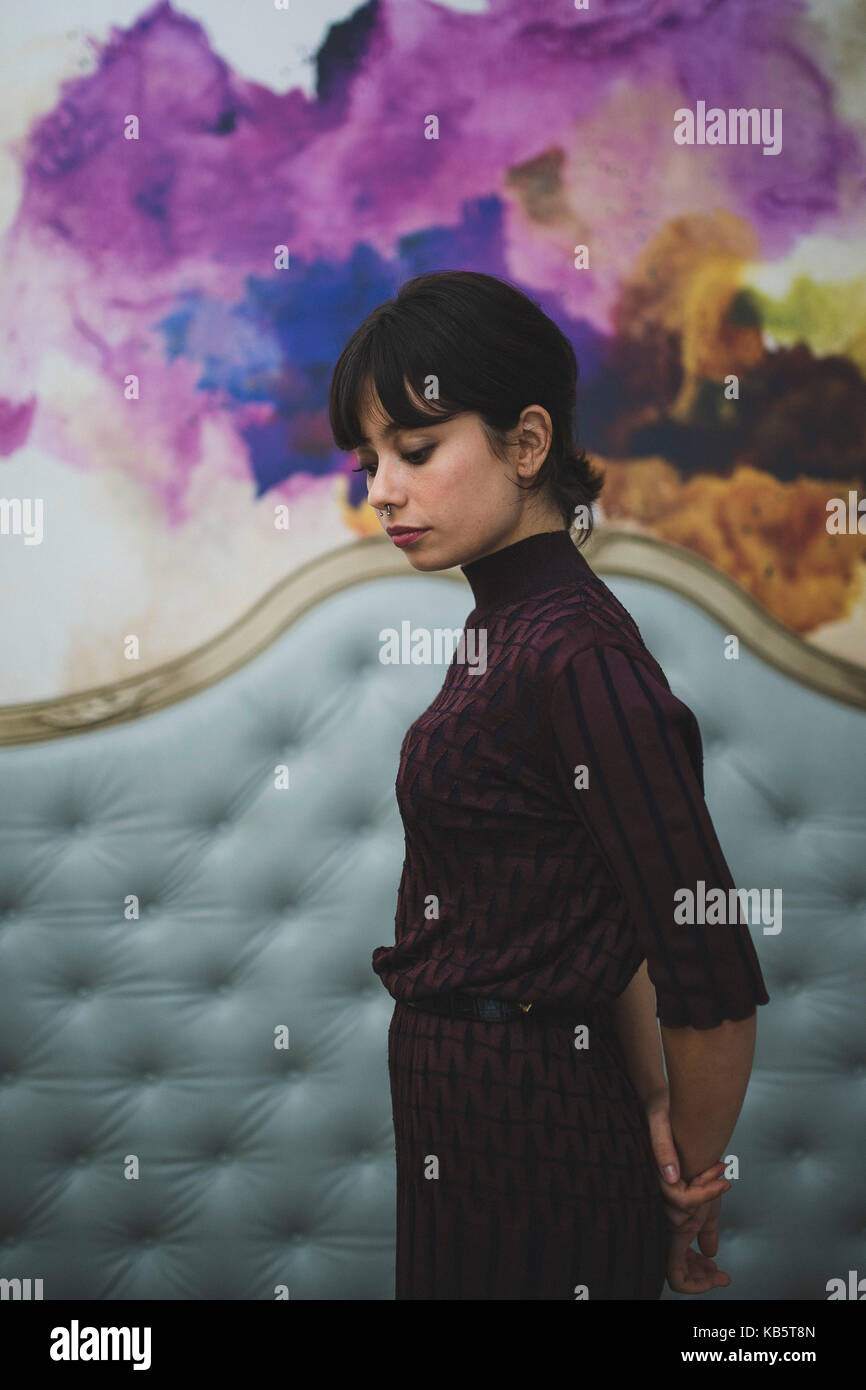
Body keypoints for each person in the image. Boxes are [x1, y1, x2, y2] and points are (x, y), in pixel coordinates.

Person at [328, 270, 770, 1300]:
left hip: (538, 1138)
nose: (381, 488)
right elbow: (591, 903)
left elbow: (704, 956)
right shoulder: (504, 624)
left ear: (527, 444)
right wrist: (651, 1089)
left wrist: (682, 1175)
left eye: (416, 448)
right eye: (369, 459)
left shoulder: (574, 651)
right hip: (470, 1125)